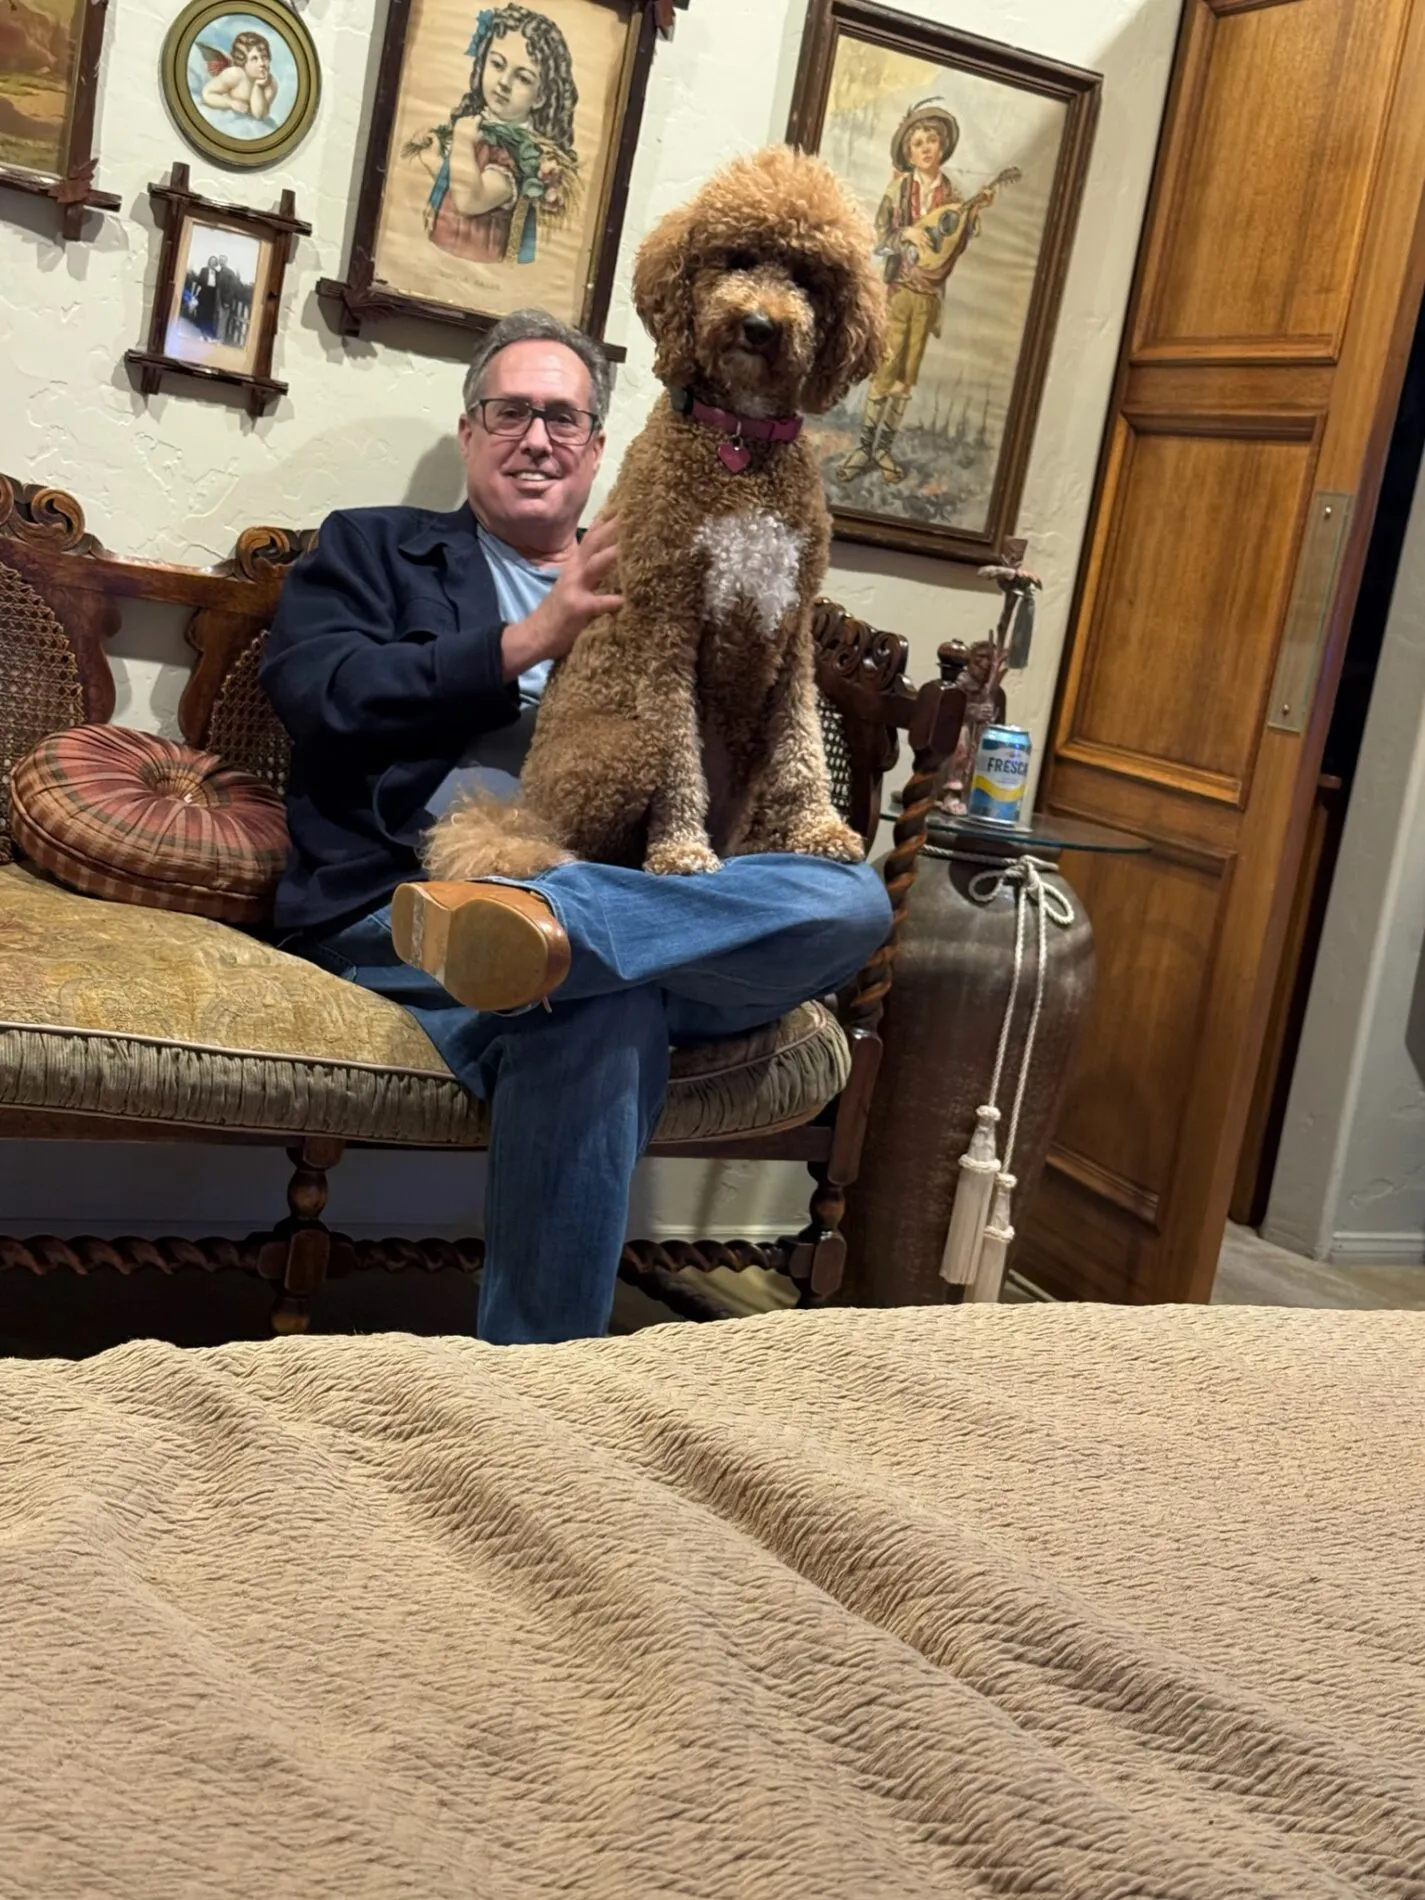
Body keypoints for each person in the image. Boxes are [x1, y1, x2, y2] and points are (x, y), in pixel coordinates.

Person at [260, 308, 892, 1347]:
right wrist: (528, 637)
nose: (537, 437)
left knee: (852, 896)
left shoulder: (665, 576)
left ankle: (565, 923)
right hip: (416, 908)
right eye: (511, 411)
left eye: (564, 417)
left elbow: (749, 729)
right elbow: (319, 690)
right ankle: (543, 1389)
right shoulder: (373, 548)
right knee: (600, 1009)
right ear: (469, 432)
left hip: (631, 892)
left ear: (600, 448)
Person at [838, 100, 1017, 485]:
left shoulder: (953, 195)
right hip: (898, 291)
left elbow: (953, 241)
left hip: (929, 297)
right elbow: (879, 239)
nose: (924, 148)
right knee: (885, 371)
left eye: (931, 140)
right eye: (916, 142)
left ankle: (884, 449)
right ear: (908, 152)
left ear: (942, 147)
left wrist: (974, 215)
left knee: (906, 378)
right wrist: (906, 233)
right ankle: (863, 448)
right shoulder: (899, 190)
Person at [404, 4, 579, 266]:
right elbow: (459, 181)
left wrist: (463, 141)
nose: (503, 82)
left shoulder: (517, 154)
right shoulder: (481, 128)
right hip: (436, 258)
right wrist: (433, 161)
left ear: (541, 96)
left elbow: (469, 199)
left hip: (473, 263)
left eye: (523, 78)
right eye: (497, 64)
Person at [201, 30, 279, 121]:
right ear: (242, 62)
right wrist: (230, 103)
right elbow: (207, 94)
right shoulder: (235, 75)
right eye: (254, 59)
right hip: (223, 117)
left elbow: (259, 115)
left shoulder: (271, 83)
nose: (262, 63)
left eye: (264, 57)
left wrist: (258, 87)